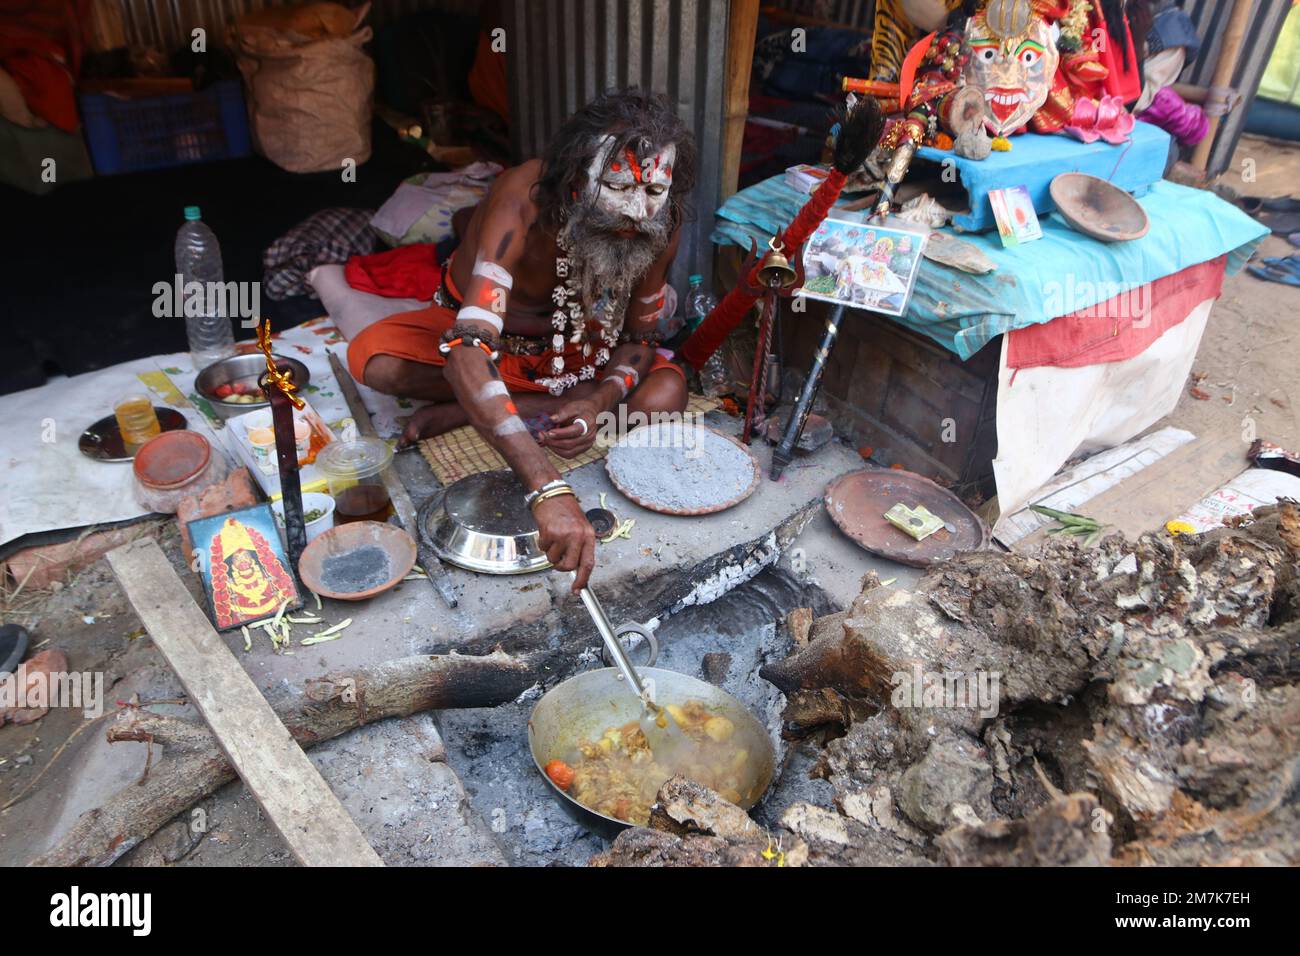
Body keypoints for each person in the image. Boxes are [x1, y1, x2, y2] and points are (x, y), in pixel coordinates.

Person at [347, 89, 697, 591]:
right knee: (374, 360)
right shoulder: (524, 199)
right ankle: (508, 401)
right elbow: (468, 347)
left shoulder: (660, 224)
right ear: (576, 175)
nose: (637, 213)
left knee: (666, 395)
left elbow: (642, 339)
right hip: (490, 345)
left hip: (581, 355)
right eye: (619, 187)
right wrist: (547, 485)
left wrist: (599, 400)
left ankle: (483, 407)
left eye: (653, 194)